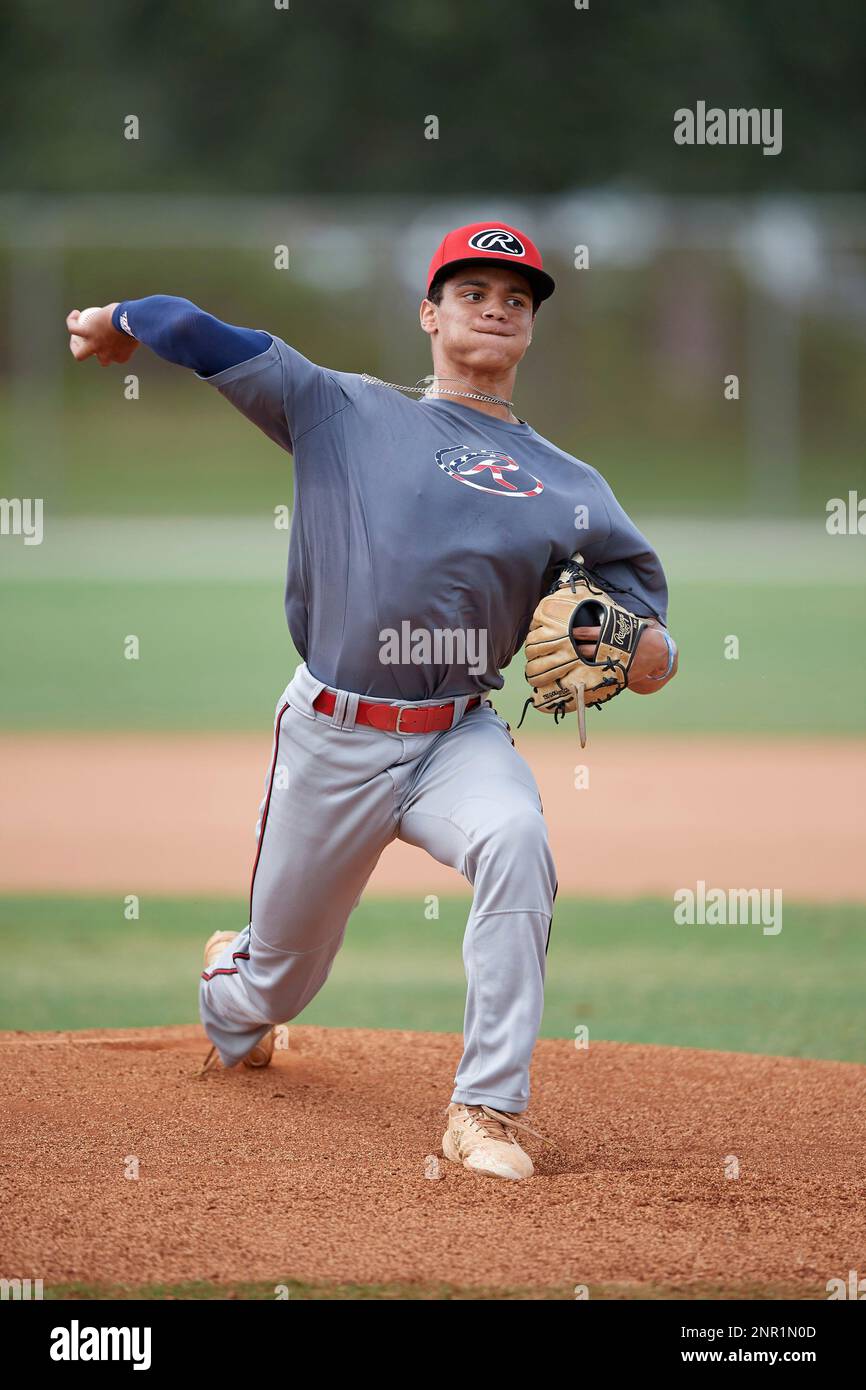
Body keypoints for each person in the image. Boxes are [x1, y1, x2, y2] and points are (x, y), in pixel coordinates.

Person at [65, 220, 678, 1181]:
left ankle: (488, 1112)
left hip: (459, 737)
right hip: (334, 736)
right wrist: (116, 319)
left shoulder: (571, 485)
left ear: (531, 329)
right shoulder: (336, 408)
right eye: (474, 293)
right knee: (276, 985)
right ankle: (235, 982)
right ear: (429, 314)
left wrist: (636, 648)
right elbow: (193, 327)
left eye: (516, 300)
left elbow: (651, 647)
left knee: (518, 843)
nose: (497, 310)